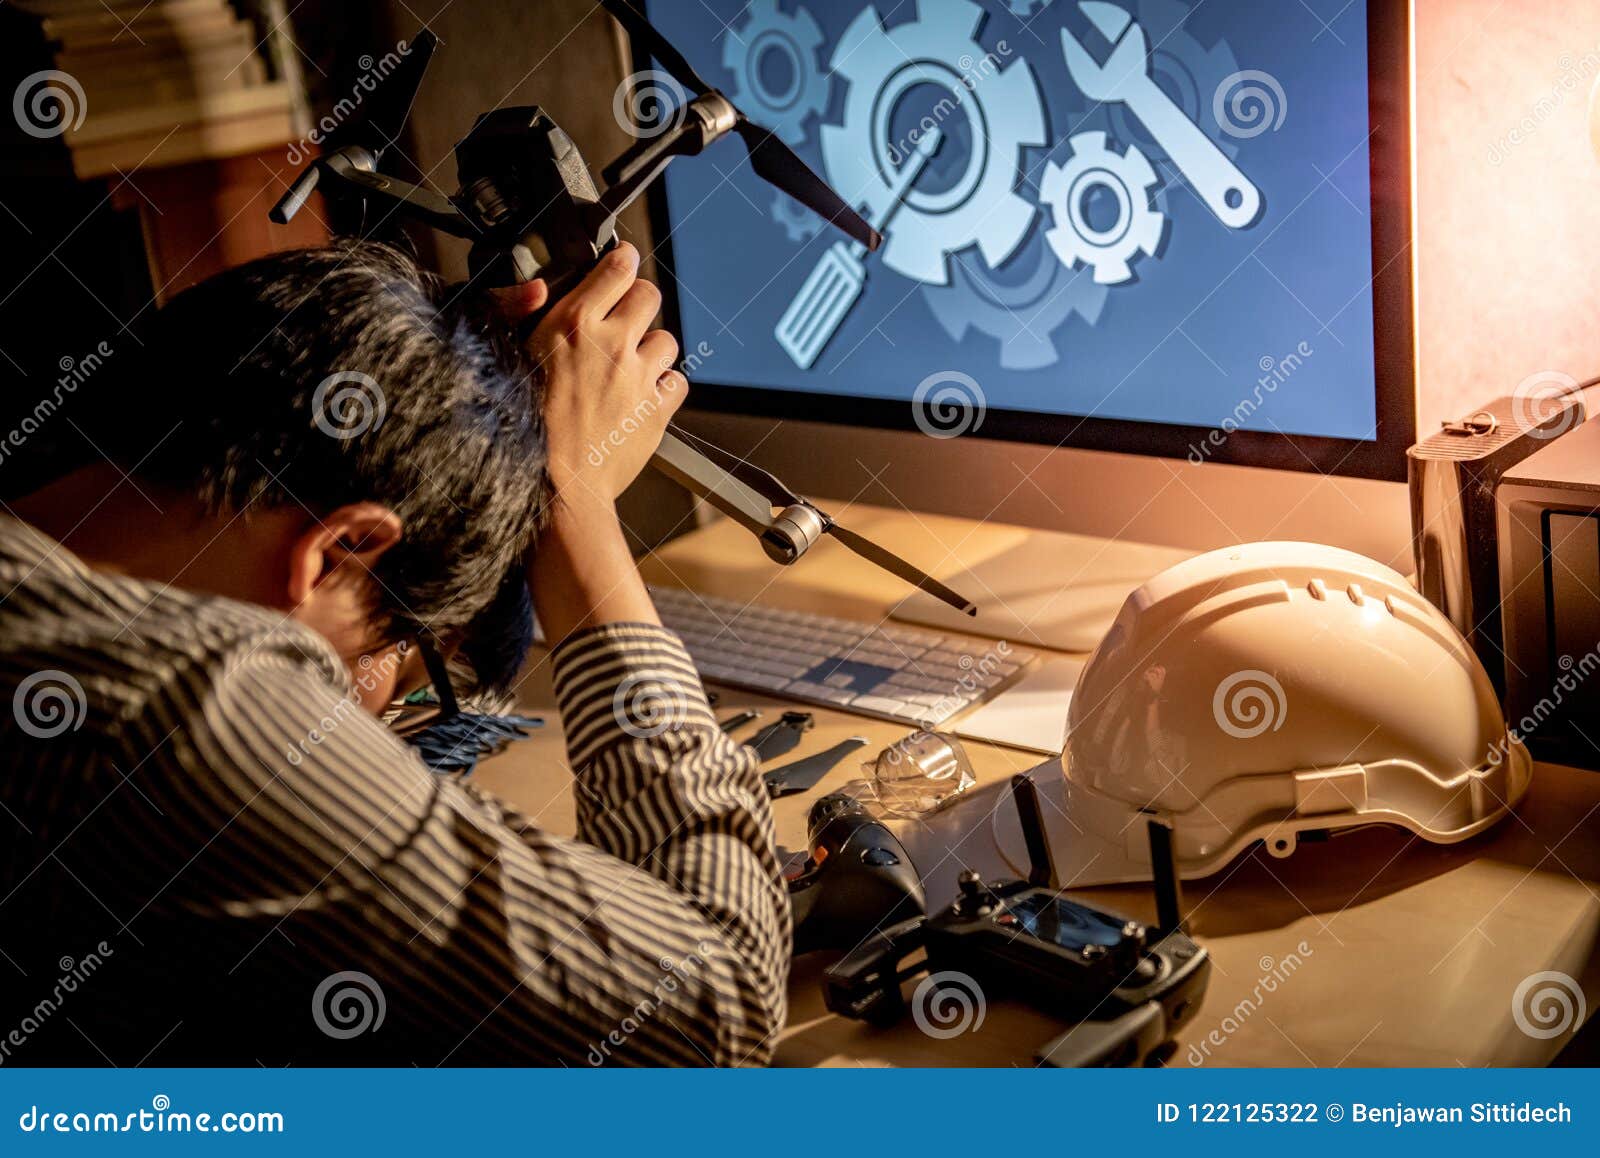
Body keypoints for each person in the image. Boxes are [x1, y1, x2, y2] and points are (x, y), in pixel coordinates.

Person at [0, 239, 790, 1067]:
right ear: (338, 553)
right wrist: (573, 494)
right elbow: (711, 1011)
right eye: (401, 662)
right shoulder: (188, 705)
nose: (382, 722)